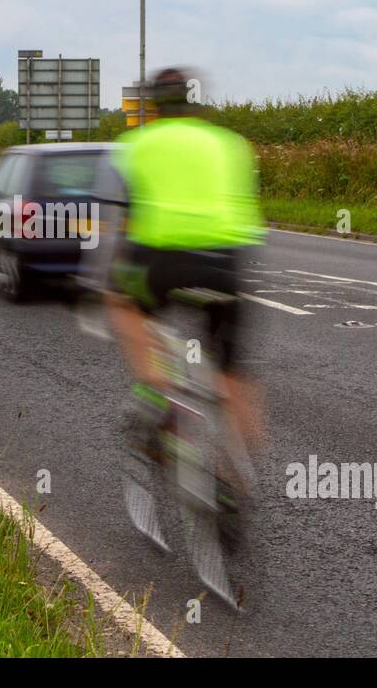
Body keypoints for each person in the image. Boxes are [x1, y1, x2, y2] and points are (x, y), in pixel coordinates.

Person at [104, 67, 266, 541]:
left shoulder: (138, 144)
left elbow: (127, 218)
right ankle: (235, 481)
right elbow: (244, 209)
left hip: (161, 260)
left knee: (121, 303)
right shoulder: (230, 144)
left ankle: (159, 396)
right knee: (235, 375)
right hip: (226, 264)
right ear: (197, 105)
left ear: (155, 106)